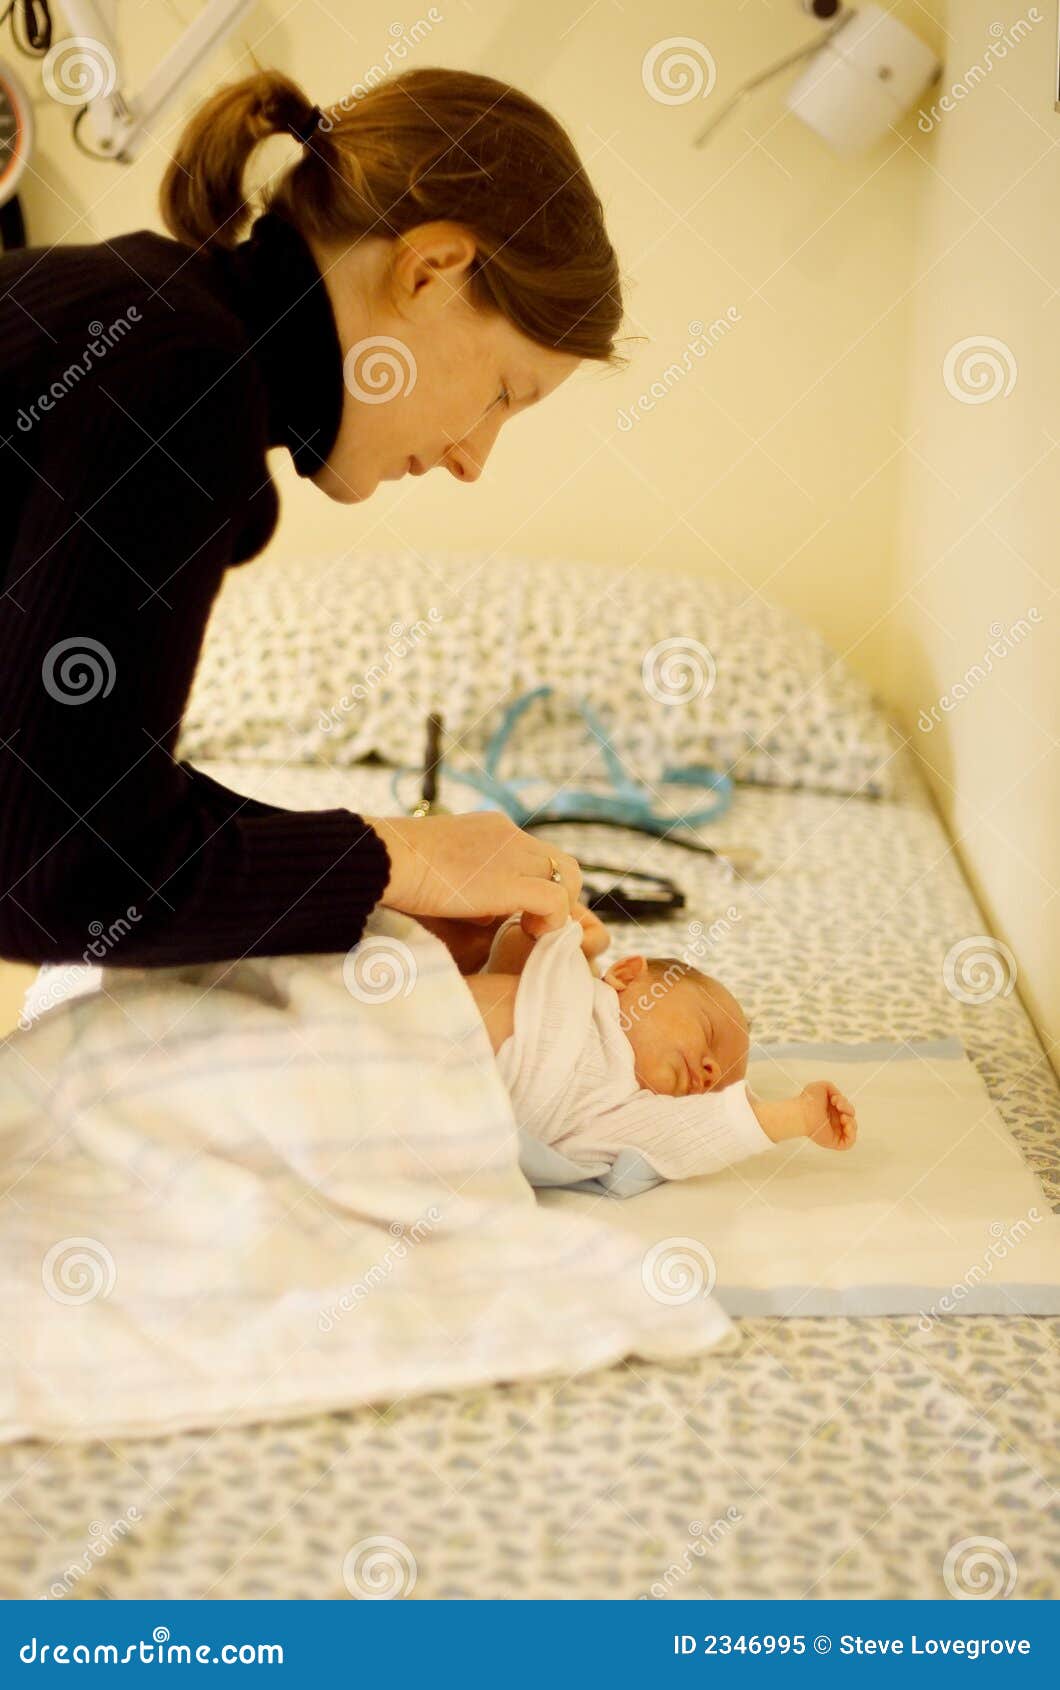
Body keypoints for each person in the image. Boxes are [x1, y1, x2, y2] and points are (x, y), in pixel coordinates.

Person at [0, 66, 626, 969]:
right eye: (500, 394)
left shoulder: (154, 322)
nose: (472, 461)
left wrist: (389, 872)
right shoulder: (177, 374)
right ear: (432, 271)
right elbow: (59, 879)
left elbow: (81, 806)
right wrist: (397, 854)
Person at [465, 913, 859, 1179]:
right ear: (625, 974)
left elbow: (693, 1134)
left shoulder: (620, 1108)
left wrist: (797, 1117)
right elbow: (512, 957)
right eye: (708, 1035)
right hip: (426, 1002)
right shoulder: (580, 985)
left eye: (716, 1086)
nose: (709, 1074)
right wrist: (558, 930)